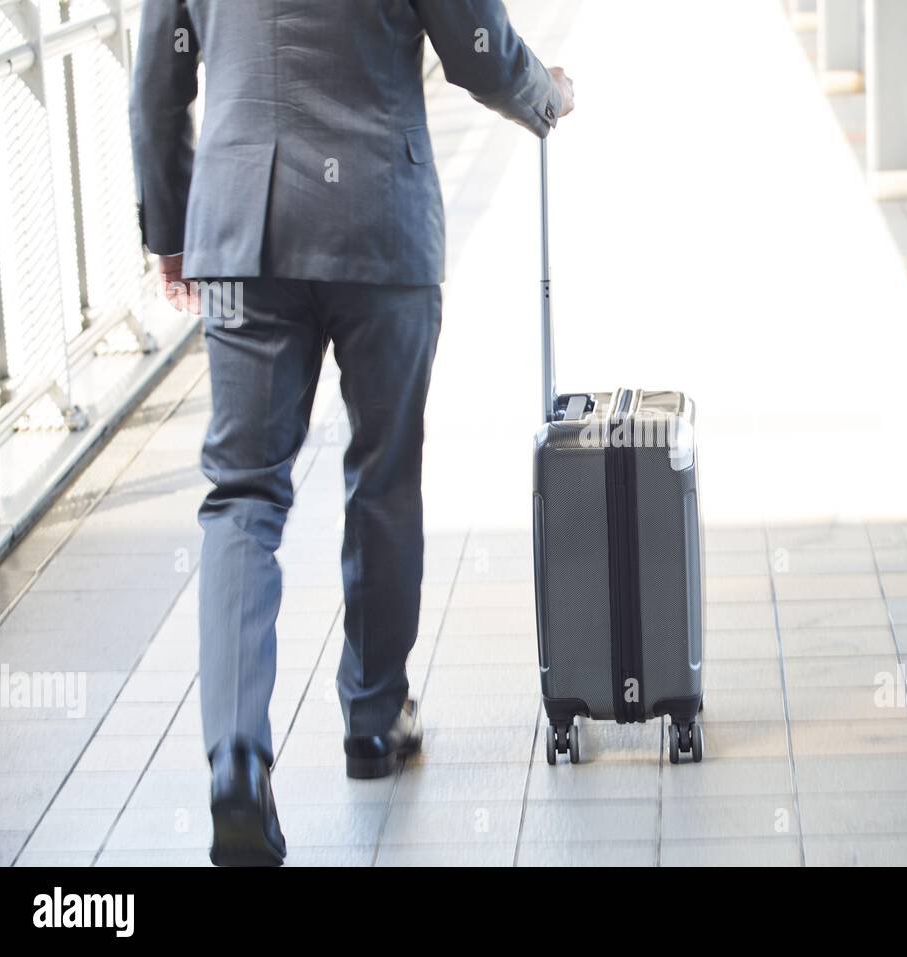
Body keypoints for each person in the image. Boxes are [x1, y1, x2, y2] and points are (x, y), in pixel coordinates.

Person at [129, 0, 574, 867]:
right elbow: (478, 50)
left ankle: (237, 763)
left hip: (241, 237)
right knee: (384, 470)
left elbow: (156, 84)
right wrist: (545, 96)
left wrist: (173, 227)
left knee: (242, 496)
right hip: (381, 220)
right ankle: (374, 721)